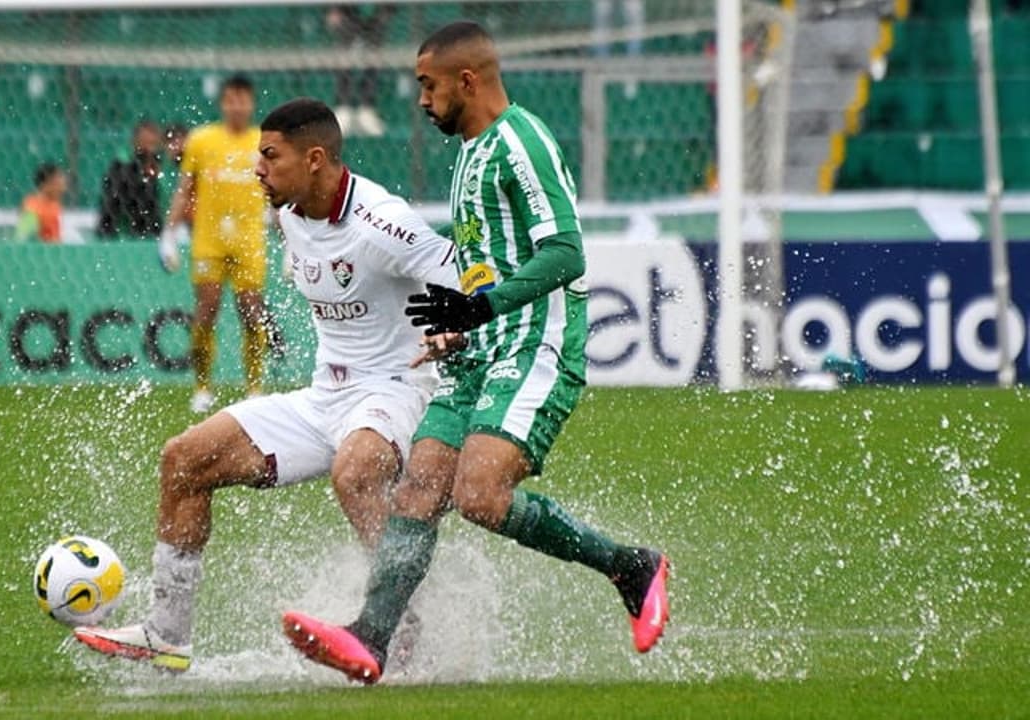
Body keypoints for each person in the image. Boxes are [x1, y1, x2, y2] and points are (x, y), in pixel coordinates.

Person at [282, 21, 670, 684]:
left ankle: (632, 566)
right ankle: (372, 637)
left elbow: (567, 252)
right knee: (419, 492)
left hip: (535, 342)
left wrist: (479, 308)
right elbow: (485, 263)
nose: (421, 100)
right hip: (479, 349)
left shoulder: (521, 142)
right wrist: (456, 327)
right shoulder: (469, 151)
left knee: (482, 496)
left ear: (467, 81)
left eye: (427, 85)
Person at [73, 97, 459, 672]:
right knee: (184, 459)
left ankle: (396, 630)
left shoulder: (383, 220)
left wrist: (450, 331)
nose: (257, 168)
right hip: (325, 398)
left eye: (270, 156)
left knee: (353, 473)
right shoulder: (290, 212)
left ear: (315, 159)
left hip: (395, 392)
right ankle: (166, 634)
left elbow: (458, 273)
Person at [159, 75, 270, 413]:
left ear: (251, 103)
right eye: (230, 99)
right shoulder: (202, 140)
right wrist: (169, 233)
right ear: (222, 103)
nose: (237, 105)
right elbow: (185, 189)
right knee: (206, 312)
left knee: (252, 313)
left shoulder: (263, 141)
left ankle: (254, 388)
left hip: (249, 241)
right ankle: (203, 387)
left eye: (243, 99)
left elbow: (276, 193)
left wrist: (291, 242)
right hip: (209, 241)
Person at [326, 4, 395, 137]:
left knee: (373, 50)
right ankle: (343, 107)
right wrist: (334, 8)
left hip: (376, 10)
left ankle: (366, 108)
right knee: (345, 52)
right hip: (348, 10)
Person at [96, 119, 164, 240]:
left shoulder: (165, 170)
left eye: (152, 144)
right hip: (126, 236)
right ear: (134, 142)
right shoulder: (120, 169)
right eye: (144, 143)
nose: (149, 149)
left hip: (158, 235)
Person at [15, 162, 66, 244]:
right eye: (59, 180)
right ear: (46, 184)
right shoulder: (32, 207)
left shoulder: (55, 205)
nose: (63, 186)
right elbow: (22, 238)